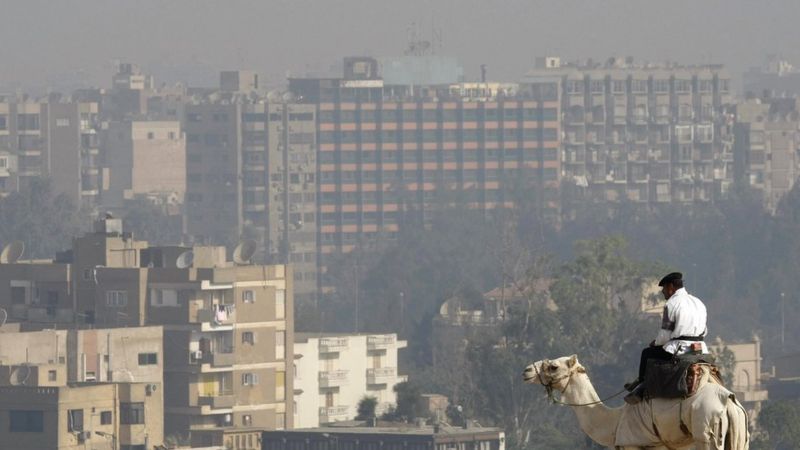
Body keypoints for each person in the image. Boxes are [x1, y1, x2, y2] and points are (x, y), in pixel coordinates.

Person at [624, 272, 708, 404]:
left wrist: (655, 343)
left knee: (647, 353)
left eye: (664, 289)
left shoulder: (671, 304)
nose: (663, 293)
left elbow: (665, 334)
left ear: (670, 287)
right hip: (700, 349)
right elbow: (704, 330)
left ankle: (640, 388)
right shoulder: (699, 302)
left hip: (680, 350)